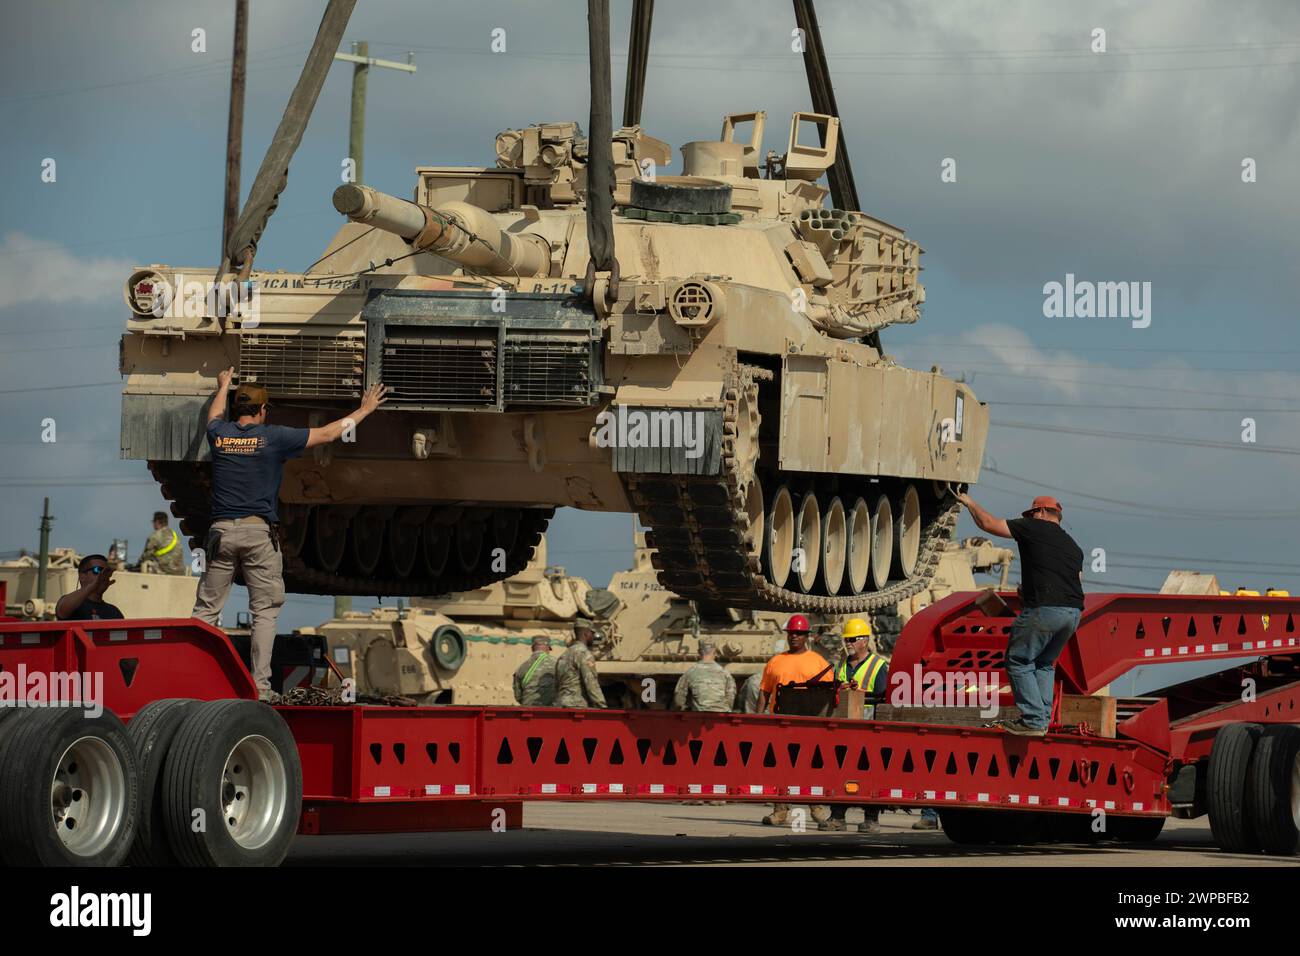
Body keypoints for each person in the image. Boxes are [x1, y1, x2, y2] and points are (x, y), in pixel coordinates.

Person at [191, 367, 388, 702]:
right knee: (264, 612)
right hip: (257, 534)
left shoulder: (219, 435)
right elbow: (327, 434)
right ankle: (259, 688)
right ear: (263, 411)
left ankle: (193, 681)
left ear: (236, 410)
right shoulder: (274, 437)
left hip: (221, 533)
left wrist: (223, 386)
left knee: (206, 611)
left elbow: (212, 414)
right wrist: (365, 409)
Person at [956, 492, 1084, 737]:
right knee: (1044, 664)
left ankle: (1034, 720)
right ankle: (1042, 719)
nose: (1031, 516)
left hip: (1047, 609)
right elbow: (1075, 580)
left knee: (1018, 661)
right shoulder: (1073, 546)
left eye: (1033, 512)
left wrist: (969, 502)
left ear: (1042, 513)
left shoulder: (1033, 527)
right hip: (1072, 613)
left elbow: (988, 524)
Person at [759, 614, 833, 826]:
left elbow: (828, 696)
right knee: (781, 769)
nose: (794, 637)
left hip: (808, 725)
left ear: (806, 636)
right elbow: (764, 692)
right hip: (780, 725)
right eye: (792, 633)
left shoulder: (818, 662)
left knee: (811, 768)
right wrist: (758, 718)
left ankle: (817, 809)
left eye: (799, 634)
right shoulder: (776, 661)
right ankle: (780, 811)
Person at [820, 618, 891, 833]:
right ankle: (837, 817)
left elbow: (882, 695)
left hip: (869, 728)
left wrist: (858, 692)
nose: (848, 643)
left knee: (869, 773)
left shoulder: (878, 665)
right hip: (843, 728)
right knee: (840, 772)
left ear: (864, 640)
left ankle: (871, 819)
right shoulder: (841, 664)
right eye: (846, 639)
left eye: (852, 639)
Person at [555, 618, 607, 708]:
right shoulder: (584, 654)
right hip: (577, 706)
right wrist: (602, 705)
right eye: (592, 633)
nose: (593, 636)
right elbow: (591, 683)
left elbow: (557, 684)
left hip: (561, 705)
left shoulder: (564, 655)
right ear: (586, 634)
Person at [55, 553, 125, 621]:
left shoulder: (114, 612)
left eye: (106, 571)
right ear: (82, 576)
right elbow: (62, 610)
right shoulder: (72, 604)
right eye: (98, 570)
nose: (103, 575)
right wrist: (92, 586)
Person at [673, 642, 737, 712]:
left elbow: (679, 695)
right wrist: (725, 709)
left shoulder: (690, 672)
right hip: (721, 715)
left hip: (698, 715)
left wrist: (683, 709)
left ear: (699, 652)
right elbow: (731, 695)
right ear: (715, 653)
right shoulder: (725, 673)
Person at [513, 636, 558, 706]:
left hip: (529, 709)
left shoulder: (521, 668)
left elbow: (518, 696)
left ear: (532, 649)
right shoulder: (557, 663)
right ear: (548, 648)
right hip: (553, 710)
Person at [139, 511, 185, 575]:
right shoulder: (174, 535)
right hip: (180, 572)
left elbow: (145, 556)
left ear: (157, 522)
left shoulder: (155, 536)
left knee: (146, 565)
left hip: (164, 571)